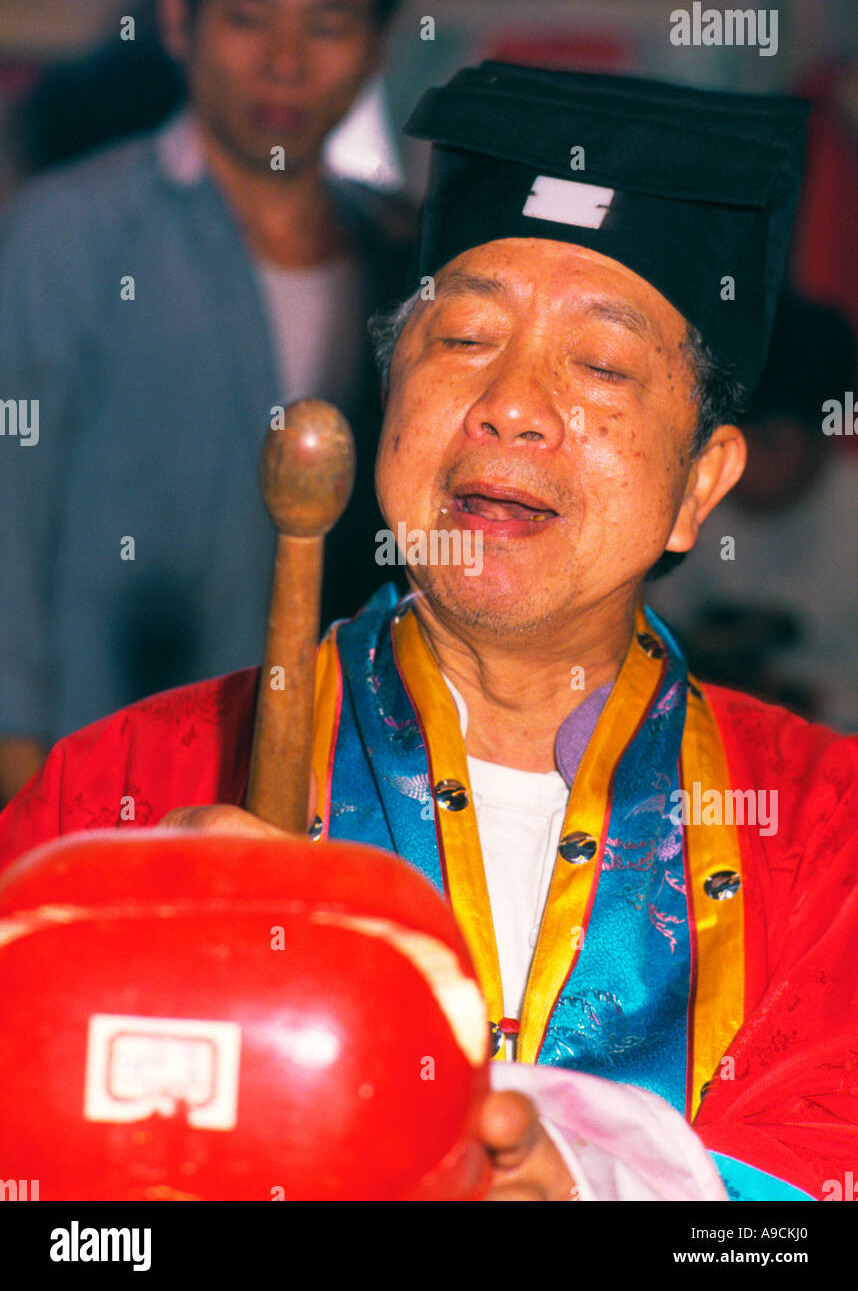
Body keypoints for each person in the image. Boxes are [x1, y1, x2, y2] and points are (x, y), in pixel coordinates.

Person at [3, 64, 857, 1203]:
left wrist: (592, 1176)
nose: (512, 402)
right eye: (462, 339)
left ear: (702, 484)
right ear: (386, 401)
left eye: (601, 363)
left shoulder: (825, 839)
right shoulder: (122, 795)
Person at [0, 0, 412, 805]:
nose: (286, 62)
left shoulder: (400, 261)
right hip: (102, 791)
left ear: (380, 42)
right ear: (182, 17)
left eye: (330, 23)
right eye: (248, 15)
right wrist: (22, 798)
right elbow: (9, 521)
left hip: (330, 801)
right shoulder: (71, 233)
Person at [648, 290, 858, 730]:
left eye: (768, 443)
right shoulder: (698, 500)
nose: (746, 468)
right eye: (729, 442)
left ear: (825, 435)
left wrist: (792, 696)